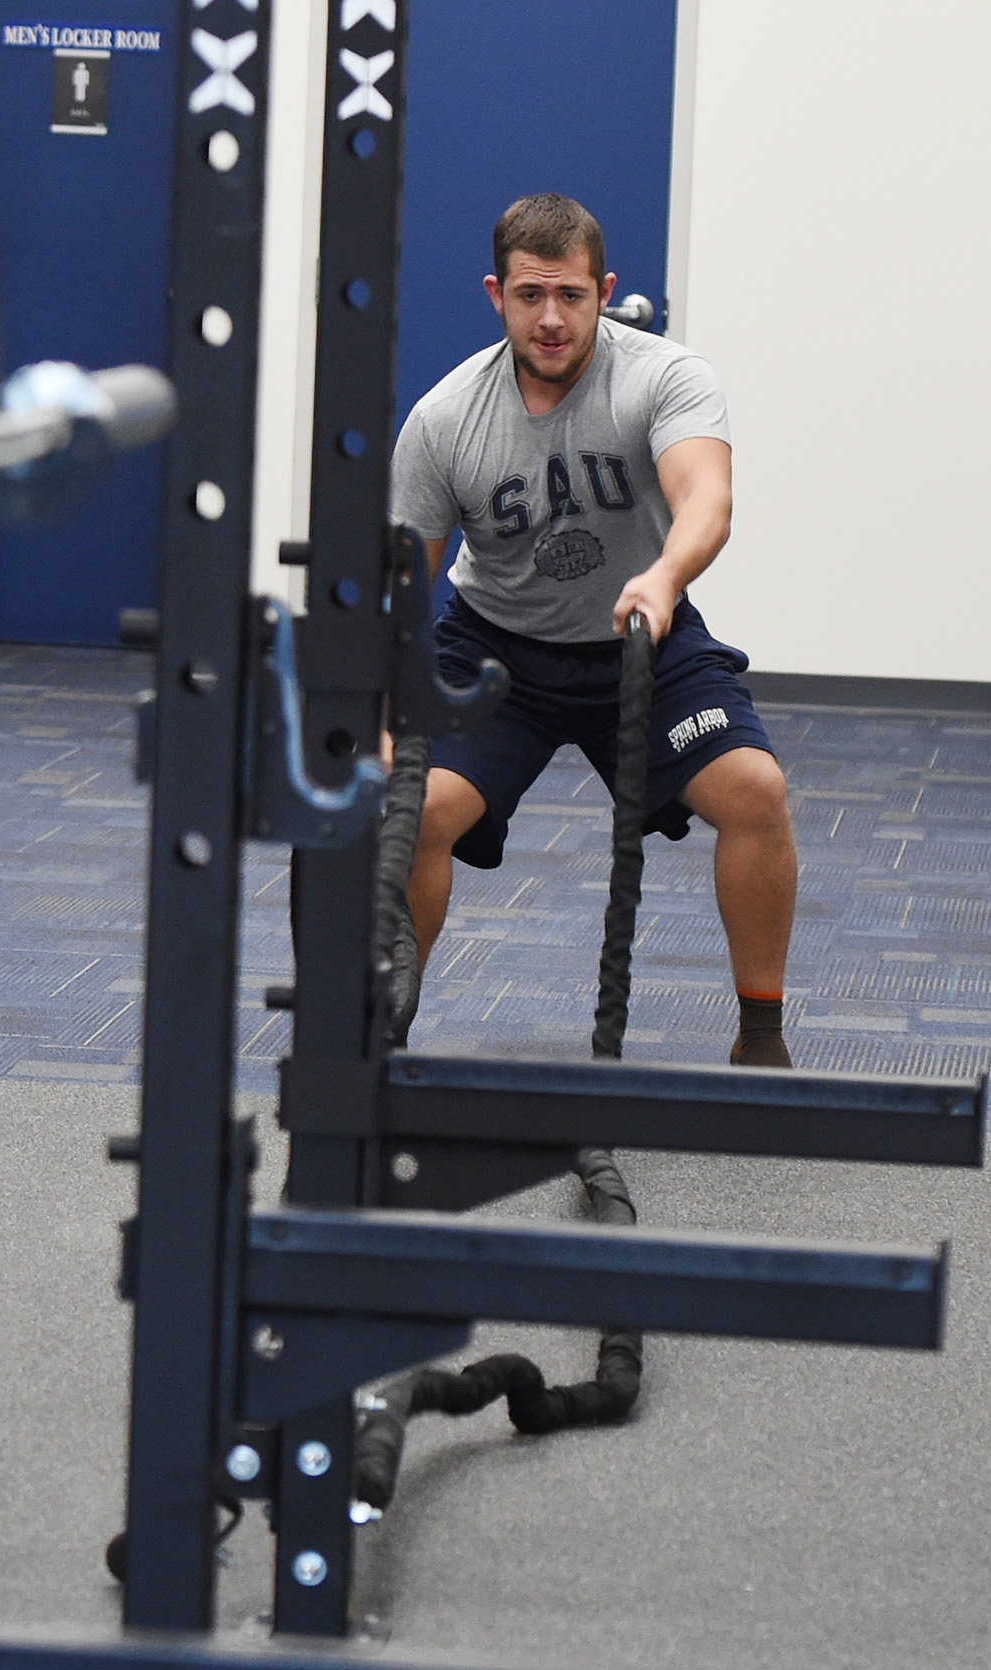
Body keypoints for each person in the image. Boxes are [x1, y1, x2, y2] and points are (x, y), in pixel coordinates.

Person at [392, 193, 797, 1072]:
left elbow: (707, 501)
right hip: (496, 650)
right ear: (496, 293)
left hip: (644, 637)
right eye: (530, 295)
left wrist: (663, 574)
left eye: (571, 296)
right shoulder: (443, 420)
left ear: (603, 290)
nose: (551, 319)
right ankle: (381, 1036)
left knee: (755, 792)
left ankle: (761, 1039)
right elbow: (403, 590)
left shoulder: (664, 376)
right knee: (411, 810)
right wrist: (385, 705)